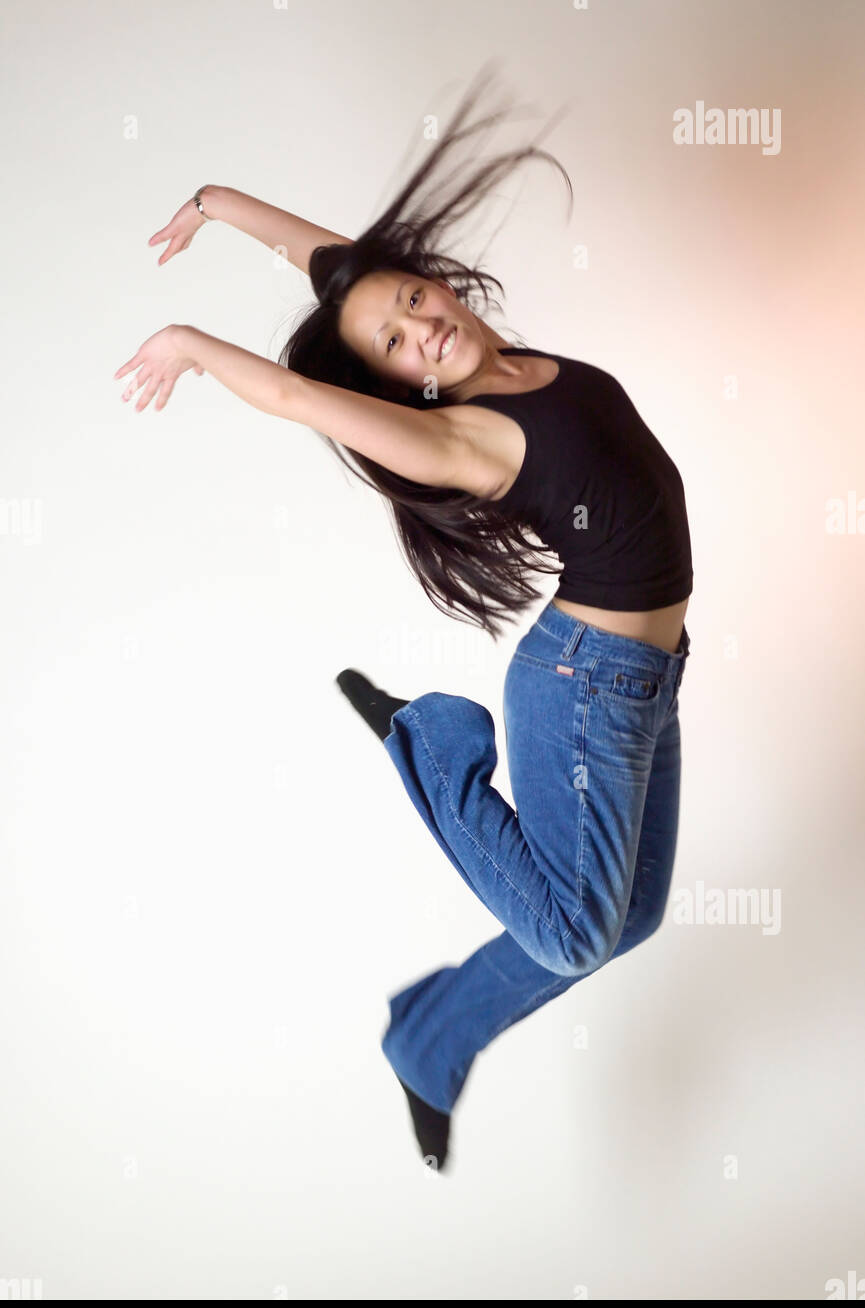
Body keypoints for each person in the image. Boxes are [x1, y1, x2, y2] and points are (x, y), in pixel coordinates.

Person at [114, 63, 693, 1175]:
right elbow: (293, 395)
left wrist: (217, 204)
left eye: (413, 303)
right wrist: (188, 341)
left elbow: (332, 264)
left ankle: (427, 1043)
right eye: (394, 345)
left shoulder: (495, 350)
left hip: (645, 681)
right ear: (402, 388)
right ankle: (425, 737)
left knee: (628, 923)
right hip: (583, 690)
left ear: (434, 284)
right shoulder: (456, 439)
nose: (418, 330)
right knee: (571, 930)